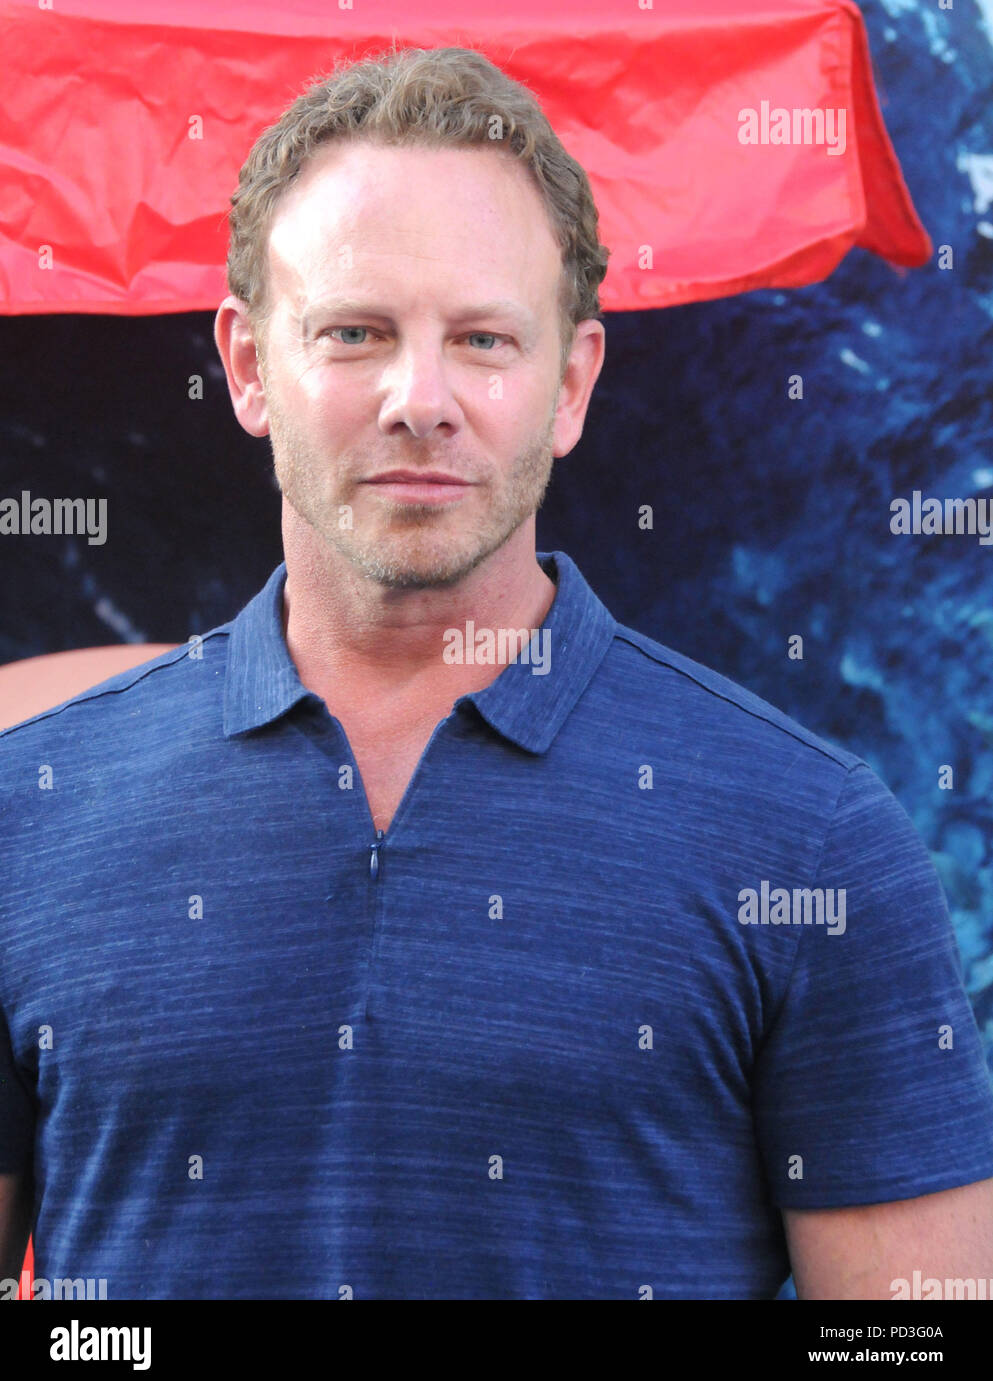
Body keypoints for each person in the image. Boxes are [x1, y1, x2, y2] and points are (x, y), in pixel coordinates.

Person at [2, 44, 992, 1302]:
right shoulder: (26, 815)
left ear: (570, 383)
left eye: (482, 339)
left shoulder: (813, 841)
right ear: (249, 366)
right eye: (355, 332)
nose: (423, 399)